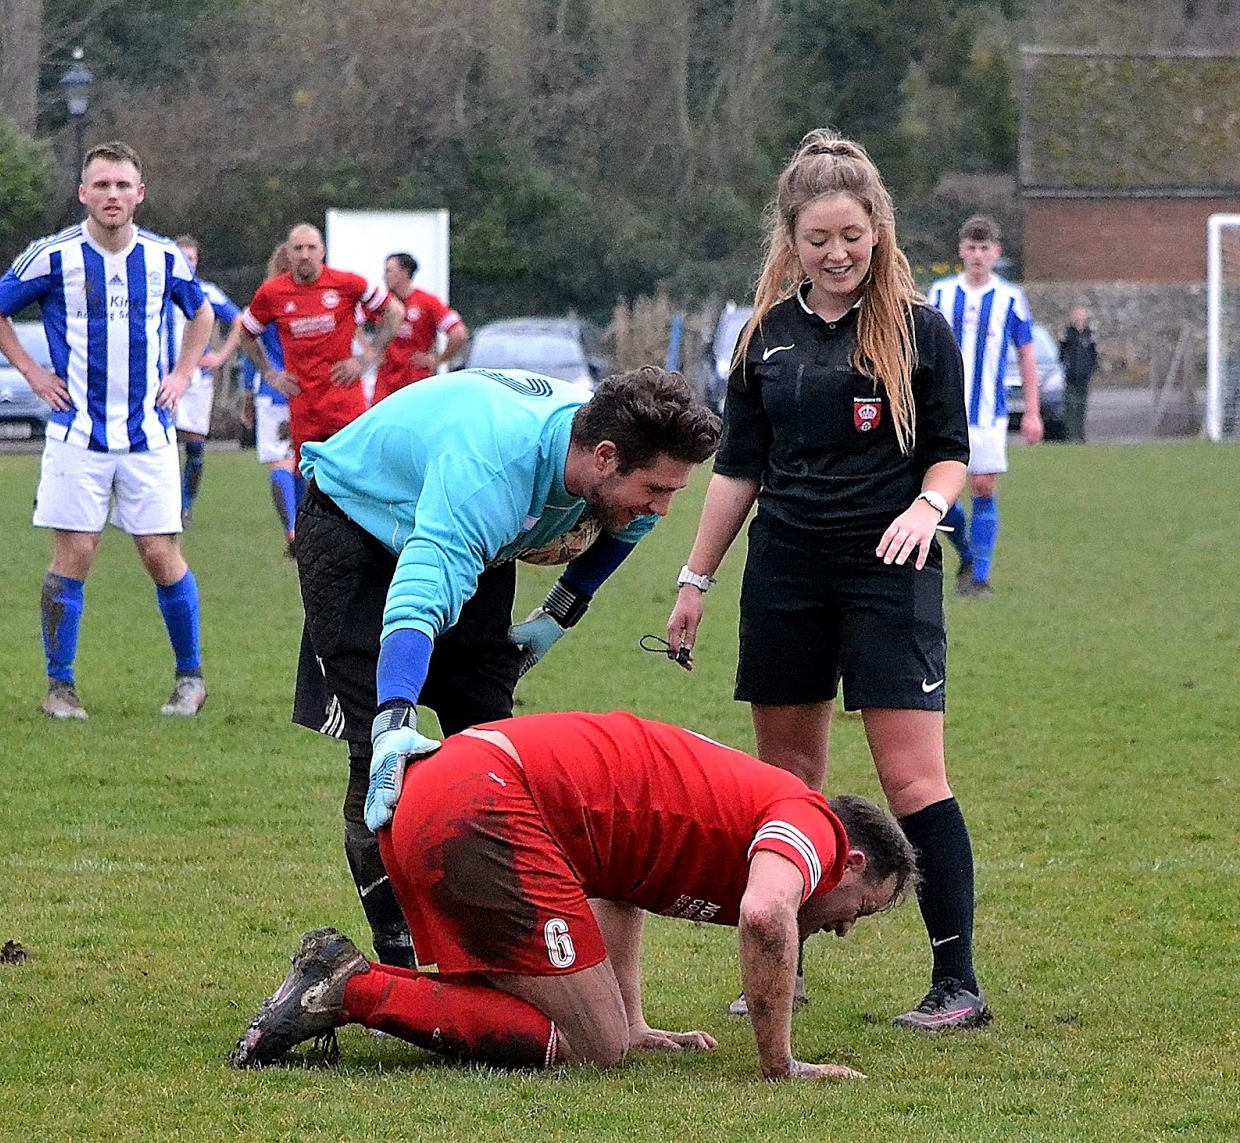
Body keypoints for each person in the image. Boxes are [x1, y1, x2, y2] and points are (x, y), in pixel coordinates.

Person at [665, 129, 989, 1032]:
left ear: (878, 228)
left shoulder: (921, 332)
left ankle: (955, 982)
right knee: (787, 781)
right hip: (786, 573)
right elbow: (737, 472)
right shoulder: (763, 337)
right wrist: (696, 579)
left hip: (891, 574)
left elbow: (950, 457)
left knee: (913, 781)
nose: (839, 253)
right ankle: (782, 964)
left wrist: (927, 510)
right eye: (819, 240)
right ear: (791, 242)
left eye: (853, 235)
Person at [292, 365, 720, 970]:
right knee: (380, 758)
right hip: (355, 528)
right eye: (657, 490)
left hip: (481, 538)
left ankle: (487, 944)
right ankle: (403, 957)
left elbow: (631, 523)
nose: (665, 509)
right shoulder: (491, 473)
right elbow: (421, 592)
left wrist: (557, 614)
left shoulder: (621, 460)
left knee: (490, 744)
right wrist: (394, 716)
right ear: (603, 458)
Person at [228, 710, 916, 1079]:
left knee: (599, 1029)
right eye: (860, 908)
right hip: (484, 805)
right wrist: (779, 1063)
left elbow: (621, 886)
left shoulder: (749, 817)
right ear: (849, 860)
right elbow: (766, 914)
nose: (845, 927)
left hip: (448, 792)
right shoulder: (813, 825)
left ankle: (356, 987)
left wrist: (636, 1015)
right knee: (596, 1047)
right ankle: (350, 986)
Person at [0, 141, 214, 721]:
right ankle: (60, 689)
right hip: (76, 433)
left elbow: (201, 312)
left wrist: (183, 374)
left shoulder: (162, 258)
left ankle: (190, 680)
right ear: (83, 193)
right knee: (74, 553)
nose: (112, 195)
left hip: (149, 435)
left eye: (122, 185)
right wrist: (33, 373)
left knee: (161, 554)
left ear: (140, 193)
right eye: (101, 185)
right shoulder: (53, 256)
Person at [927, 215, 1042, 596]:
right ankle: (969, 553)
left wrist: (1032, 411)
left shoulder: (1010, 298)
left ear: (997, 252)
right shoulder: (940, 294)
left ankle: (980, 578)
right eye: (972, 248)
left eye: (985, 248)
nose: (978, 255)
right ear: (962, 251)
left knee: (982, 485)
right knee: (939, 495)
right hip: (942, 410)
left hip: (988, 411)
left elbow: (1026, 355)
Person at [237, 223, 403, 461]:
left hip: (343, 399)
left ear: (322, 251)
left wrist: (368, 358)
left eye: (311, 247)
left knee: (352, 473)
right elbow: (245, 333)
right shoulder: (272, 293)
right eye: (298, 248)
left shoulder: (347, 283)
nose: (305, 255)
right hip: (303, 404)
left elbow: (394, 311)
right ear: (288, 254)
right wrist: (270, 374)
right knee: (311, 479)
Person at [167, 236, 242, 526]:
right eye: (182, 257)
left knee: (194, 444)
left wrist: (221, 356)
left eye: (192, 259)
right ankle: (162, 505)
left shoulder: (206, 291)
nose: (187, 263)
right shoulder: (158, 287)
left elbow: (238, 322)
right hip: (160, 378)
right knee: (159, 443)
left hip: (196, 380)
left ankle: (186, 506)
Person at [234, 244, 301, 550]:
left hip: (272, 392)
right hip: (306, 391)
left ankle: (291, 529)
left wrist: (247, 394)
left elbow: (251, 350)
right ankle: (304, 528)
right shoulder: (308, 300)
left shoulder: (267, 298)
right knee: (304, 462)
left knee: (280, 462)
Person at [372, 252, 467, 402]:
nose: (384, 276)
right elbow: (353, 319)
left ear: (404, 273)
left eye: (388, 271)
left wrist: (438, 360)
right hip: (385, 385)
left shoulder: (427, 302)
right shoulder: (382, 302)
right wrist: (370, 350)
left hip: (415, 384)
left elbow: (458, 333)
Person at [1059, 305, 1098, 445]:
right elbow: (1062, 354)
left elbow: (1093, 355)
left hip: (1084, 377)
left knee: (1081, 407)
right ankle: (1070, 436)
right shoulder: (1068, 334)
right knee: (1070, 407)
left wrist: (1091, 370)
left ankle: (1080, 436)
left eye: (1082, 317)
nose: (1080, 319)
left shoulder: (1089, 335)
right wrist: (1066, 368)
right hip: (1070, 376)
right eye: (1077, 316)